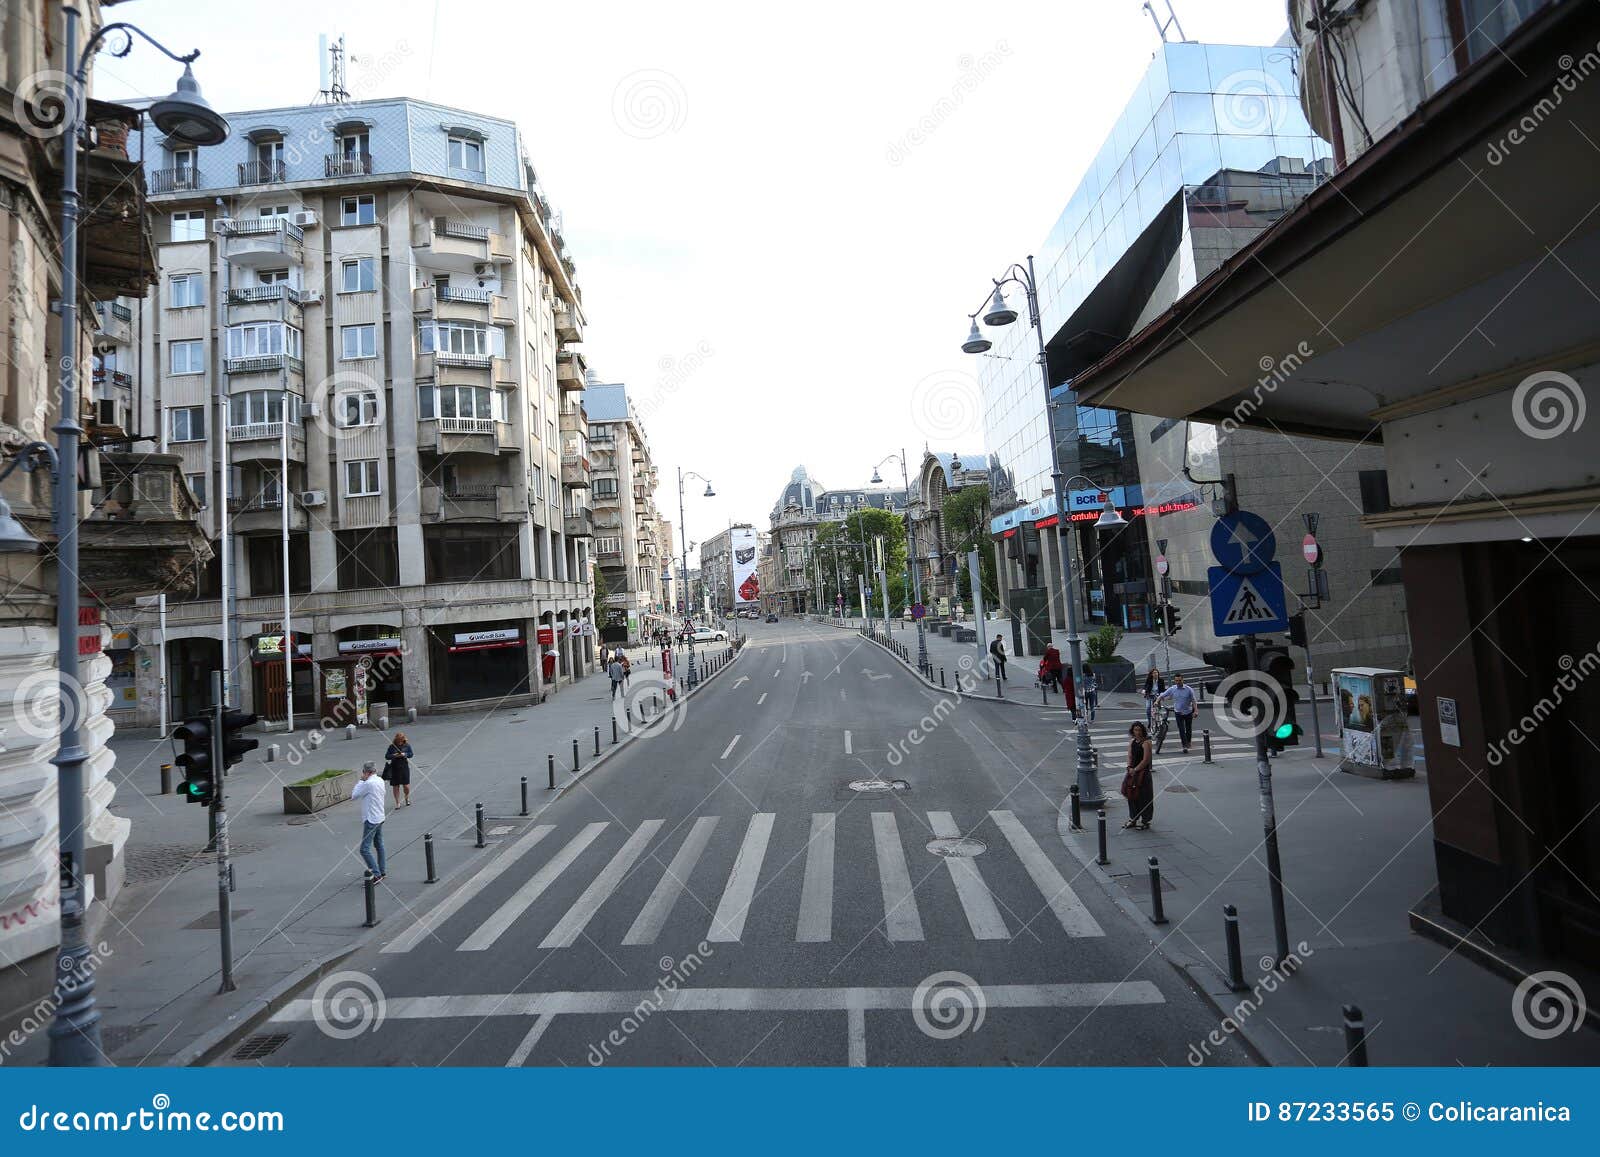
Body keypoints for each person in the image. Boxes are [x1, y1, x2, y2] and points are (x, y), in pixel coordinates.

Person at [352, 761, 388, 881]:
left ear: (366, 772)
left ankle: (376, 874)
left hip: (371, 819)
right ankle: (382, 871)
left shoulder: (368, 783)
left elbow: (354, 795)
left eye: (363, 772)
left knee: (364, 849)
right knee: (379, 845)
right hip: (380, 816)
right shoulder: (380, 780)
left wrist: (361, 781)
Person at [1120, 721, 1155, 830]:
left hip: (1143, 773)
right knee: (1131, 795)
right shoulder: (1132, 742)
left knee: (1144, 797)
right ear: (1132, 731)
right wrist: (1129, 767)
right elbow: (1130, 756)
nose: (1137, 732)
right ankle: (1133, 818)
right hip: (1132, 772)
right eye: (1135, 730)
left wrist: (1135, 769)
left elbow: (1146, 760)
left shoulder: (1146, 743)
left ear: (1142, 731)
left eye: (1139, 730)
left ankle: (1145, 821)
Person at [1155, 672, 1198, 753]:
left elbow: (1193, 700)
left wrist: (1195, 711)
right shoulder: (1172, 688)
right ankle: (1184, 745)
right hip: (1178, 712)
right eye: (1176, 681)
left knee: (1188, 729)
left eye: (1179, 680)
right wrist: (1157, 701)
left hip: (1188, 712)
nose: (1178, 682)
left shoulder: (1189, 689)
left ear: (1182, 680)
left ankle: (1188, 742)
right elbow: (1162, 695)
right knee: (1181, 729)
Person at [384, 731, 415, 807]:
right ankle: (397, 802)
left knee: (406, 786)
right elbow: (387, 756)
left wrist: (405, 754)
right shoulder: (392, 746)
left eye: (401, 740)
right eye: (398, 740)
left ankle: (407, 798)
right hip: (394, 767)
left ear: (403, 739)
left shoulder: (407, 745)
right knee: (395, 786)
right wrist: (394, 755)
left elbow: (411, 754)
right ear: (396, 739)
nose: (400, 741)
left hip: (404, 766)